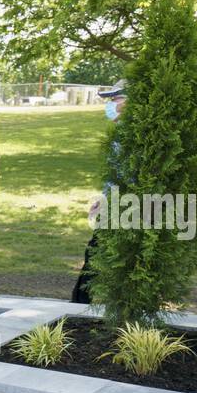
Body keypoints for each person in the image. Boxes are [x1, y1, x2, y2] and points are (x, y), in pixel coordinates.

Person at [71, 85, 127, 303]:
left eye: (116, 98)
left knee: (96, 257)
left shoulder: (128, 133)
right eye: (109, 99)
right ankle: (79, 306)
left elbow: (127, 175)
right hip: (115, 202)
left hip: (126, 205)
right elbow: (115, 173)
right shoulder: (118, 131)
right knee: (94, 256)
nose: (110, 104)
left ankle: (78, 308)